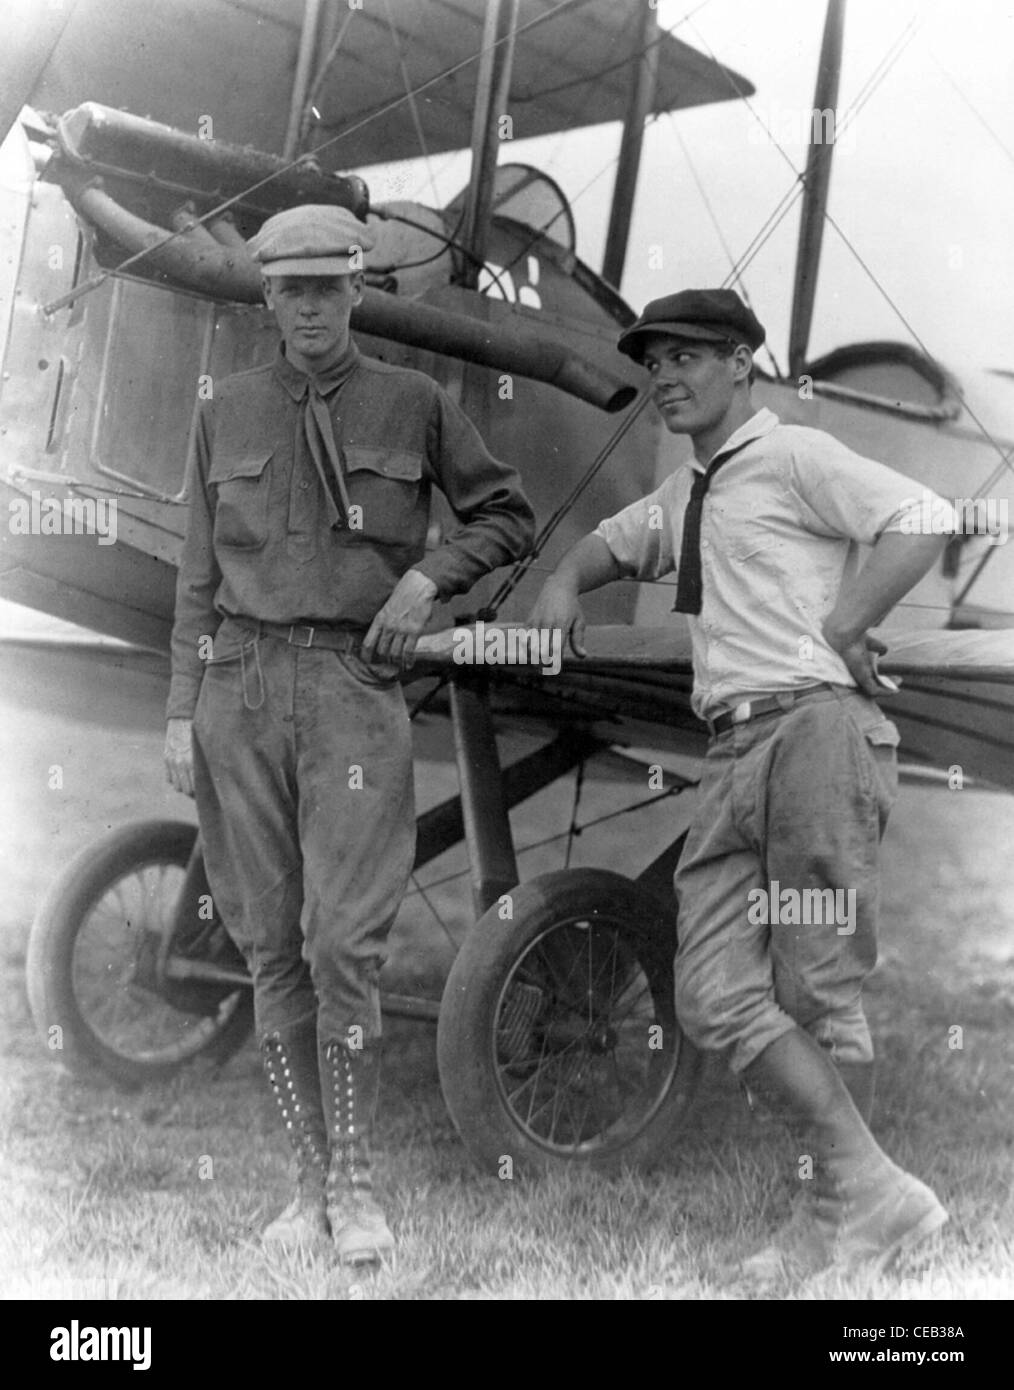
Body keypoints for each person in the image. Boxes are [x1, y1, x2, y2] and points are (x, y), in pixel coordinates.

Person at [528, 287, 951, 1286]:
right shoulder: (688, 489)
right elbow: (610, 544)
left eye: (688, 357)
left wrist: (846, 626)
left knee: (817, 989)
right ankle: (876, 1191)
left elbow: (923, 517)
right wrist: (558, 584)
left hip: (815, 734)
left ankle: (836, 1219)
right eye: (655, 360)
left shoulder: (795, 457)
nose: (667, 375)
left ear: (742, 366)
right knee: (713, 990)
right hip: (730, 750)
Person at [164, 203, 535, 1264]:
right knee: (266, 941)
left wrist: (427, 579)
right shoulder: (223, 410)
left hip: (352, 688)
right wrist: (178, 713)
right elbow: (195, 577)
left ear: (358, 290)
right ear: (268, 297)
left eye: (331, 285)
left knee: (344, 942)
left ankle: (360, 1182)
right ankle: (304, 1186)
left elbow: (505, 514)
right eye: (292, 288)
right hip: (237, 684)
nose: (312, 306)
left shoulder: (413, 401)